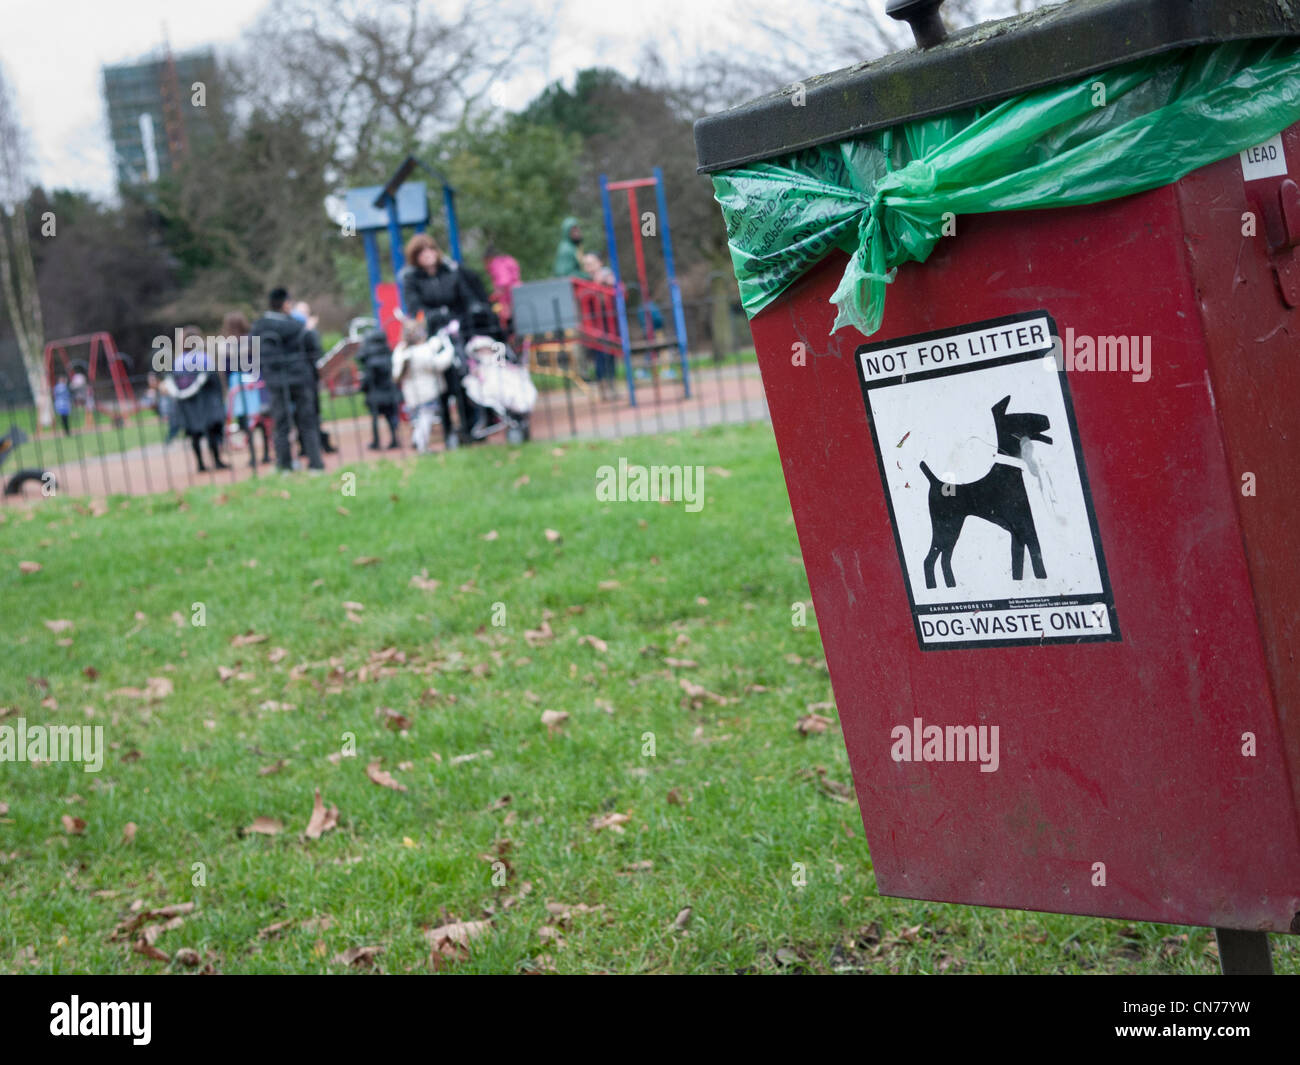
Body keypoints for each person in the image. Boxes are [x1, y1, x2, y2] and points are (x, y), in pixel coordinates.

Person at [399, 234, 486, 445]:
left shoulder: (451, 272)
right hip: (434, 339)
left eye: (431, 249)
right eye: (422, 252)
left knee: (463, 380)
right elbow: (416, 309)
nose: (428, 255)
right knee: (442, 387)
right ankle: (449, 431)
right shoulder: (412, 279)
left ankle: (469, 428)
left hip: (458, 333)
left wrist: (464, 317)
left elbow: (466, 299)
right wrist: (440, 315)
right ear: (416, 256)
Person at [249, 287, 325, 472]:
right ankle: (315, 463)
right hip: (300, 378)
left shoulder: (259, 326)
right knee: (307, 421)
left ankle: (284, 465)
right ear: (285, 304)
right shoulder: (297, 326)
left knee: (280, 423)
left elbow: (252, 353)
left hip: (275, 380)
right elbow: (313, 350)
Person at [391, 318, 454, 454]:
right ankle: (421, 445)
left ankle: (417, 439)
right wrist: (449, 348)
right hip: (427, 392)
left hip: (411, 394)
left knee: (418, 419)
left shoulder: (401, 350)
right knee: (426, 418)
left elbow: (430, 347)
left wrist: (439, 339)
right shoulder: (422, 352)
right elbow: (439, 363)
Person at [173, 326, 229, 472]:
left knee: (194, 435)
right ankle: (216, 460)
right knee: (211, 432)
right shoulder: (204, 358)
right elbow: (214, 380)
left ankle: (200, 464)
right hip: (206, 402)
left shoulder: (178, 361)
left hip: (188, 404)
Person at [221, 311, 271, 468]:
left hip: (238, 384)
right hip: (256, 381)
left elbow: (226, 369)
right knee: (262, 419)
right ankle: (266, 454)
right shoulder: (253, 341)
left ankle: (252, 456)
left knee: (246, 422)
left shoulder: (227, 345)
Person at [289, 300, 337, 456]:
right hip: (297, 380)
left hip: (310, 378)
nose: (305, 316)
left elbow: (317, 351)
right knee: (302, 413)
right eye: (302, 313)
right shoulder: (294, 332)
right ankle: (306, 445)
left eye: (307, 313)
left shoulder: (310, 333)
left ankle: (317, 443)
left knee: (314, 412)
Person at [358, 327, 401, 450]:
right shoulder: (389, 354)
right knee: (390, 416)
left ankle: (376, 442)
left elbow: (368, 379)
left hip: (376, 393)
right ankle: (394, 439)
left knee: (375, 418)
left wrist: (362, 388)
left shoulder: (370, 359)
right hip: (389, 391)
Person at [484, 243, 521, 331]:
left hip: (508, 299)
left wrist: (492, 297)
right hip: (518, 293)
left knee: (507, 325)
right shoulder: (508, 260)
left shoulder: (496, 263)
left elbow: (503, 282)